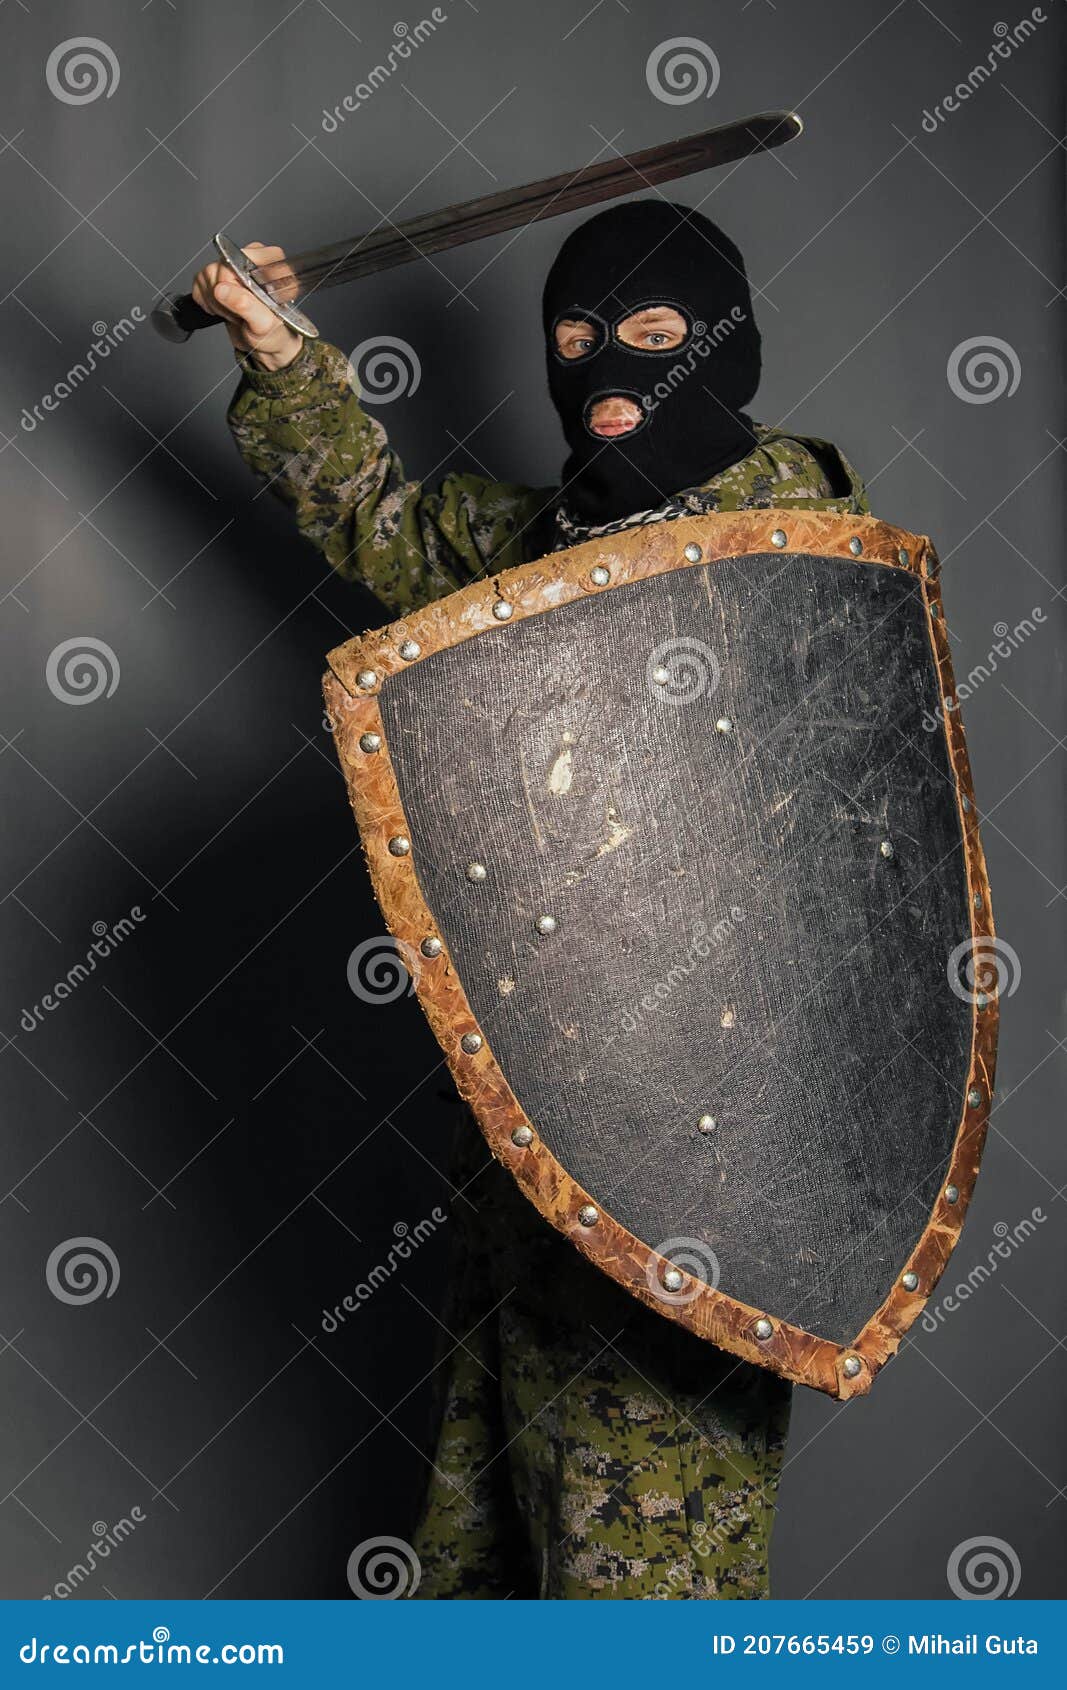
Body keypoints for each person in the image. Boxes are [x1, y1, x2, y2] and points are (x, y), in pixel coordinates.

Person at [191, 199, 868, 1599]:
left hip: (698, 1190)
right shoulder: (539, 541)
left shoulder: (792, 549)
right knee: (480, 1571)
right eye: (576, 341)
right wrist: (279, 351)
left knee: (639, 1596)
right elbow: (379, 521)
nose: (613, 370)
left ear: (726, 352)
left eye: (661, 339)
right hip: (525, 1167)